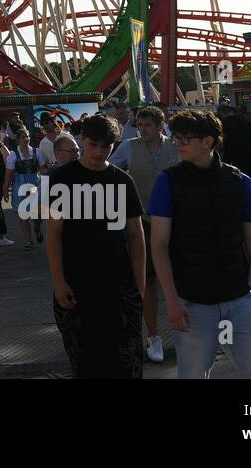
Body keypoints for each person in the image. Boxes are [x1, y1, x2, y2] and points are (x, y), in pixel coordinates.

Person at [149, 110, 251, 379]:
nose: (178, 142)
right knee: (193, 374)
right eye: (176, 136)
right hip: (192, 301)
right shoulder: (168, 182)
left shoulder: (240, 182)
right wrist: (171, 300)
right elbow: (158, 245)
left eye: (185, 137)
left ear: (208, 142)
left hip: (239, 298)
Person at [45, 115, 146, 379]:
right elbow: (53, 233)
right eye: (93, 145)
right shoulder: (61, 178)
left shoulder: (122, 180)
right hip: (77, 282)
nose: (99, 152)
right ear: (82, 140)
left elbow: (136, 235)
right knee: (86, 362)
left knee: (126, 362)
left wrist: (140, 286)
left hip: (119, 283)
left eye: (106, 146)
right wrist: (58, 282)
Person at [107, 105, 179, 363]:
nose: (143, 129)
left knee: (179, 277)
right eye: (140, 125)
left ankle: (186, 331)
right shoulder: (129, 146)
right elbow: (110, 169)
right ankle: (154, 335)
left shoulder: (176, 146)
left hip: (174, 220)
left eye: (148, 125)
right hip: (144, 219)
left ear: (161, 126)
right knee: (148, 281)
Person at [5, 128, 42, 248]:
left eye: (27, 136)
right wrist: (5, 190)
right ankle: (28, 240)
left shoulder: (37, 152)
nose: (26, 139)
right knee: (23, 214)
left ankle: (37, 228)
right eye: (23, 137)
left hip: (35, 184)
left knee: (37, 214)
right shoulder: (13, 154)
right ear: (18, 140)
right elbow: (9, 174)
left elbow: (43, 169)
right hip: (20, 185)